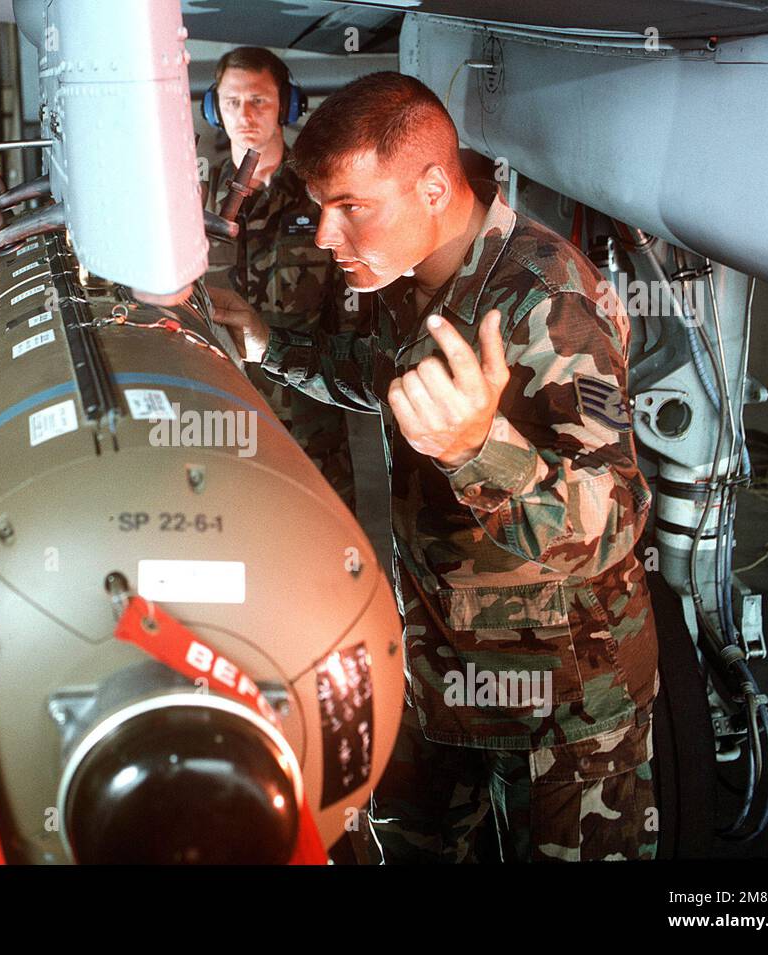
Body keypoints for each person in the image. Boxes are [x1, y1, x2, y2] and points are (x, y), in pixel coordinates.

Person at [209, 72, 659, 862]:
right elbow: (376, 376)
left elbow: (616, 521)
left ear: (432, 186)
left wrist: (479, 451)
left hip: (560, 699)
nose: (323, 237)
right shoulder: (406, 275)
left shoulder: (551, 301)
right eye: (320, 210)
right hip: (439, 668)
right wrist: (268, 345)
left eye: (350, 208)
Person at [201, 46, 361, 507]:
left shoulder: (326, 197)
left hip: (312, 429)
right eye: (232, 102)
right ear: (215, 108)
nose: (245, 115)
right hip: (219, 424)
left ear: (286, 105)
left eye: (259, 101)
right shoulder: (192, 200)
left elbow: (356, 326)